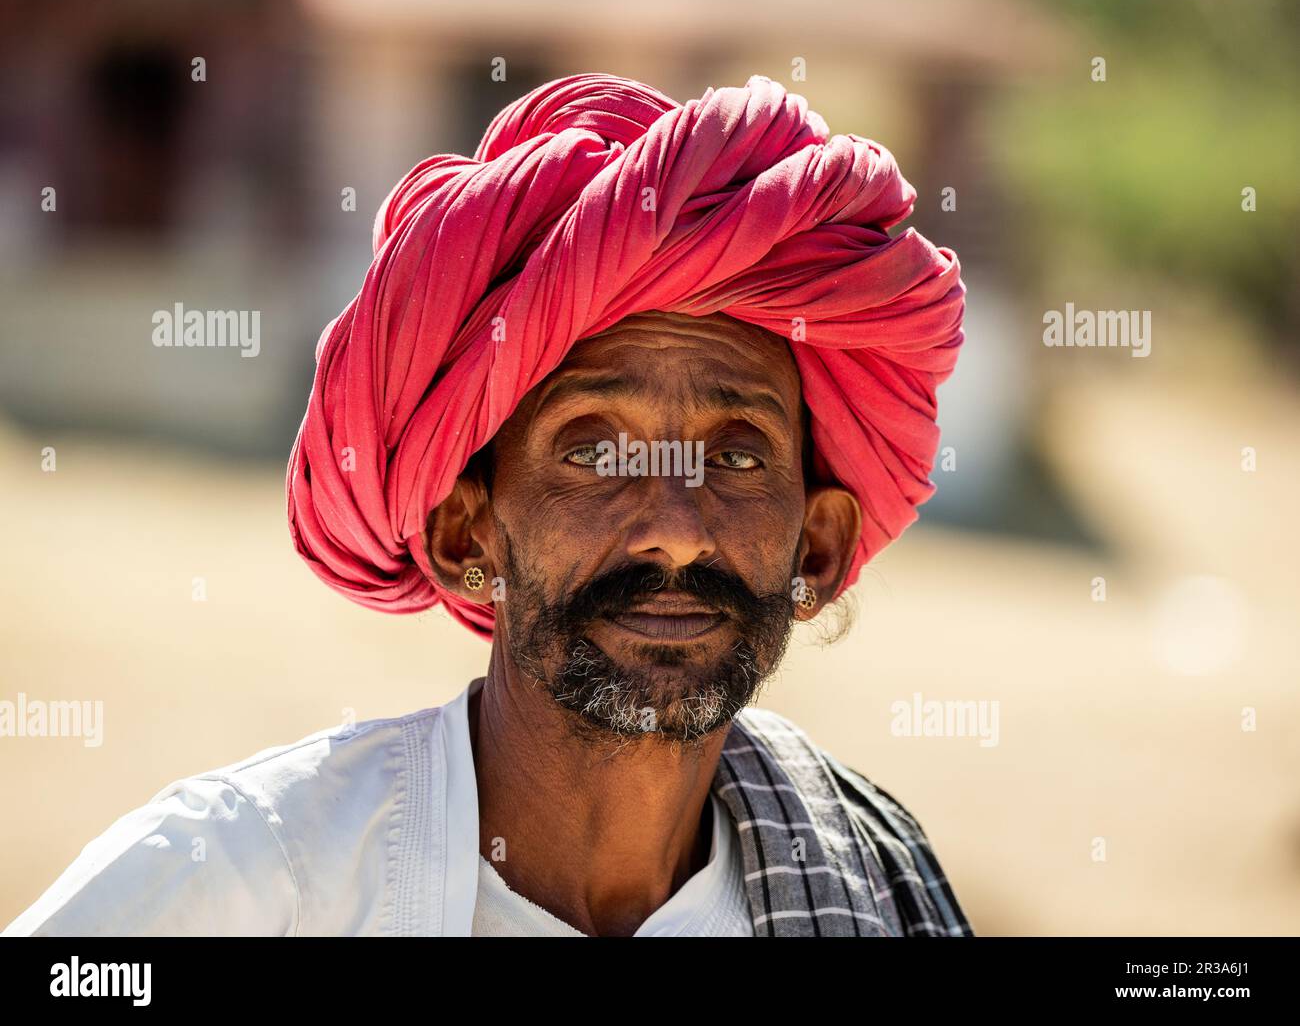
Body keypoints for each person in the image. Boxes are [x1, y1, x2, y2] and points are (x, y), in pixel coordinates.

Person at [5, 73, 970, 937]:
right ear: (465, 532)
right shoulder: (247, 882)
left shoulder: (881, 893)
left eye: (739, 456)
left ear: (818, 546)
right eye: (594, 450)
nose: (677, 528)